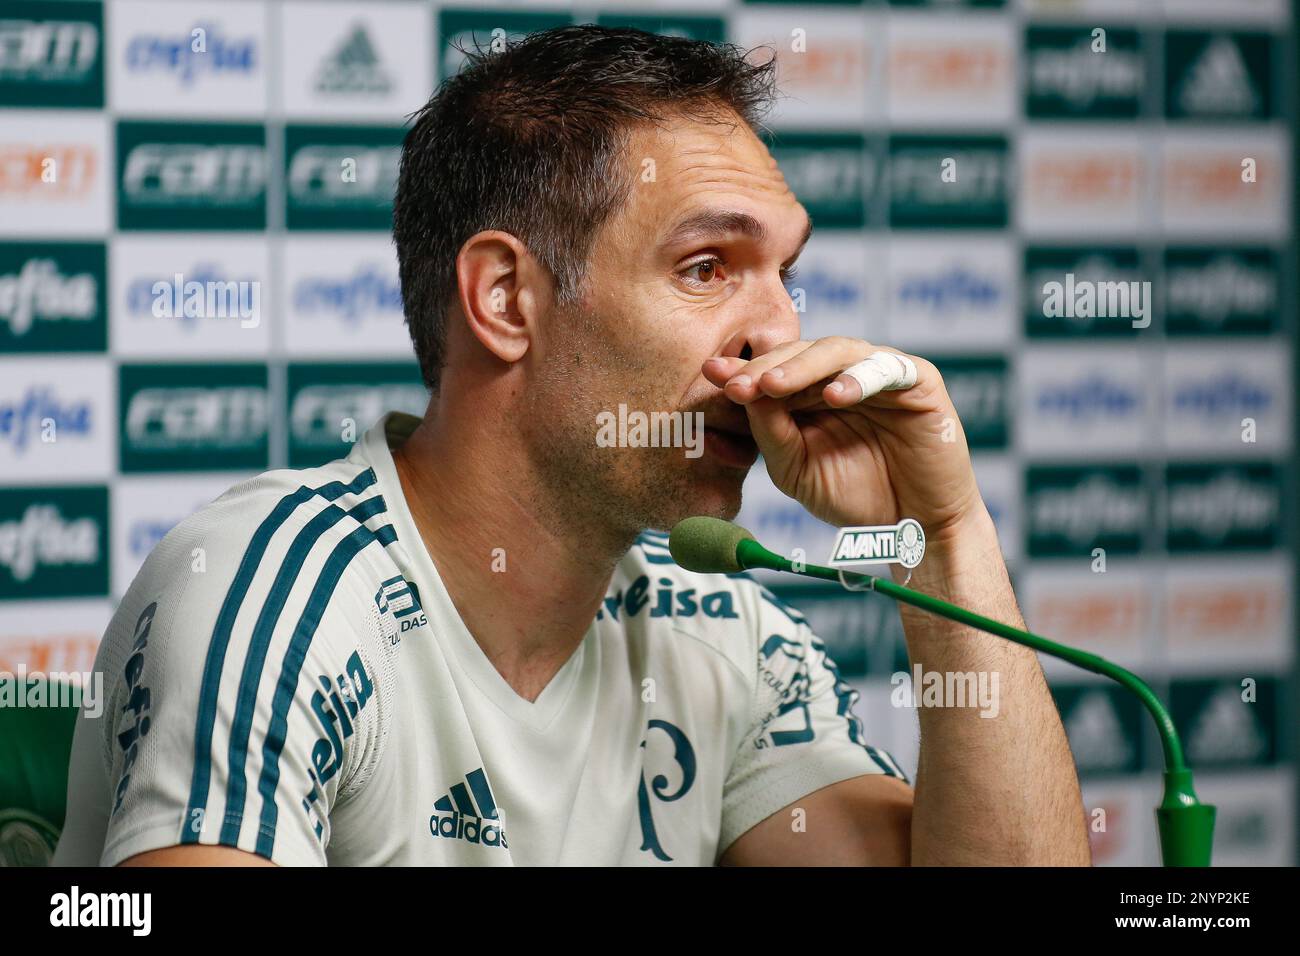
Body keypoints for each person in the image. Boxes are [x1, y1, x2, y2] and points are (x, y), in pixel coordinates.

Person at [55, 26, 1089, 866]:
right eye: (705, 266)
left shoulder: (723, 628)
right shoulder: (274, 587)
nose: (778, 333)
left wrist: (938, 533)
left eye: (784, 274)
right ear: (507, 299)